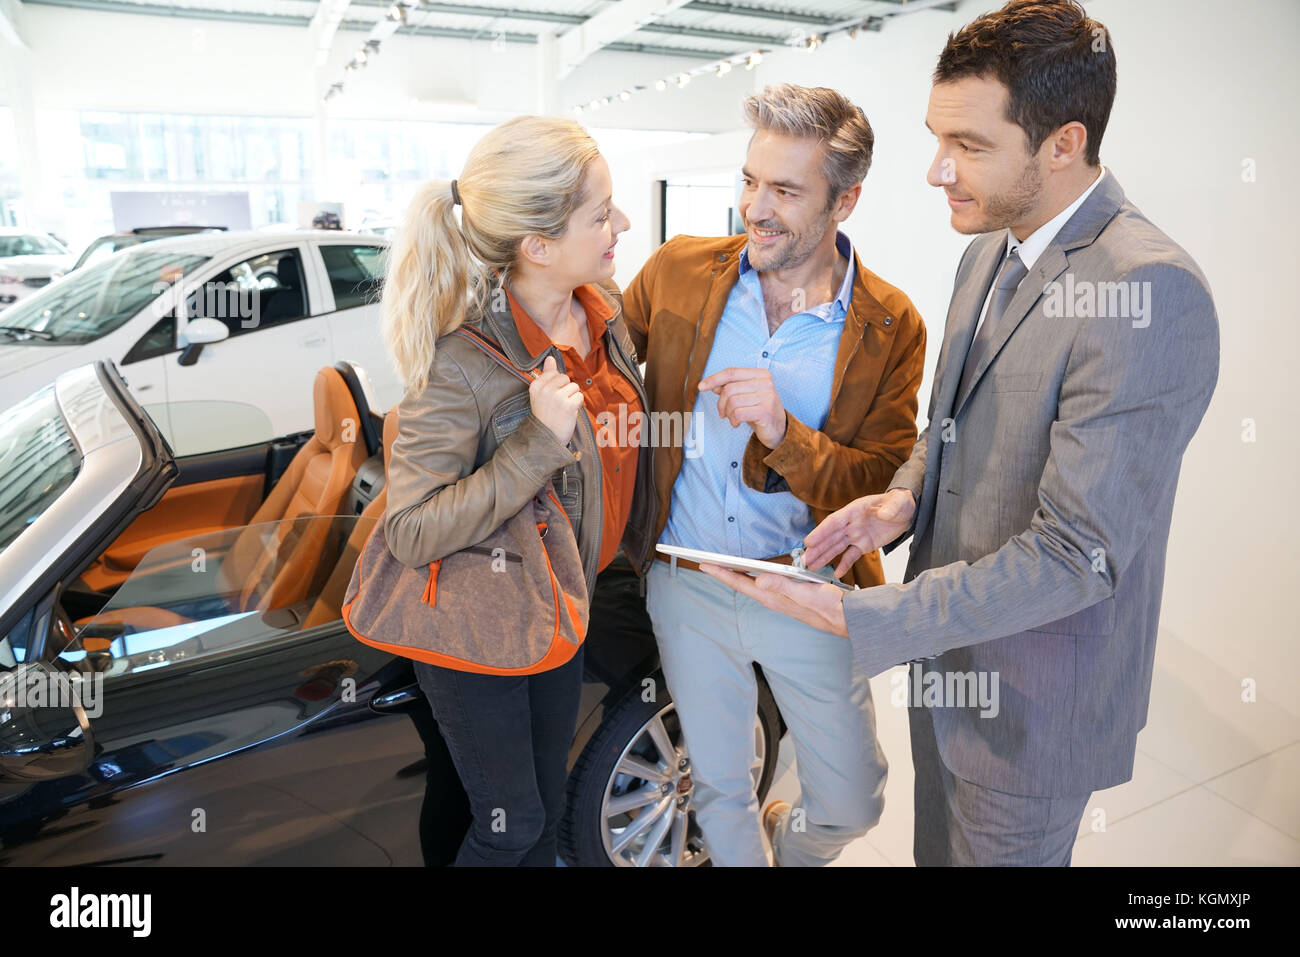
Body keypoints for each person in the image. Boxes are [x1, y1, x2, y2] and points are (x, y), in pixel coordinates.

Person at [701, 0, 1220, 866]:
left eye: (970, 146)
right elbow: (952, 423)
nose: (939, 171)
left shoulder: (1148, 291)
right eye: (938, 139)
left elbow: (1078, 551)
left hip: (1034, 706)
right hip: (949, 663)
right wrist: (900, 500)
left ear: (1064, 142)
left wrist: (862, 616)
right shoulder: (987, 250)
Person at [622, 84, 928, 866]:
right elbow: (600, 363)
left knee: (856, 799)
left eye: (786, 191)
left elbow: (881, 479)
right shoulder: (680, 271)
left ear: (845, 200)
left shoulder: (890, 324)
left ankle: (786, 846)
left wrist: (783, 433)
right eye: (751, 180)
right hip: (685, 578)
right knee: (721, 788)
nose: (756, 207)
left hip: (803, 591)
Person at [380, 115, 655, 866]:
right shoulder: (463, 364)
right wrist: (537, 444)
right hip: (482, 629)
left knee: (546, 811)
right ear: (537, 245)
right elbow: (409, 529)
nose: (621, 224)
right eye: (601, 214)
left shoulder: (606, 312)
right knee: (510, 827)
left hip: (561, 604)